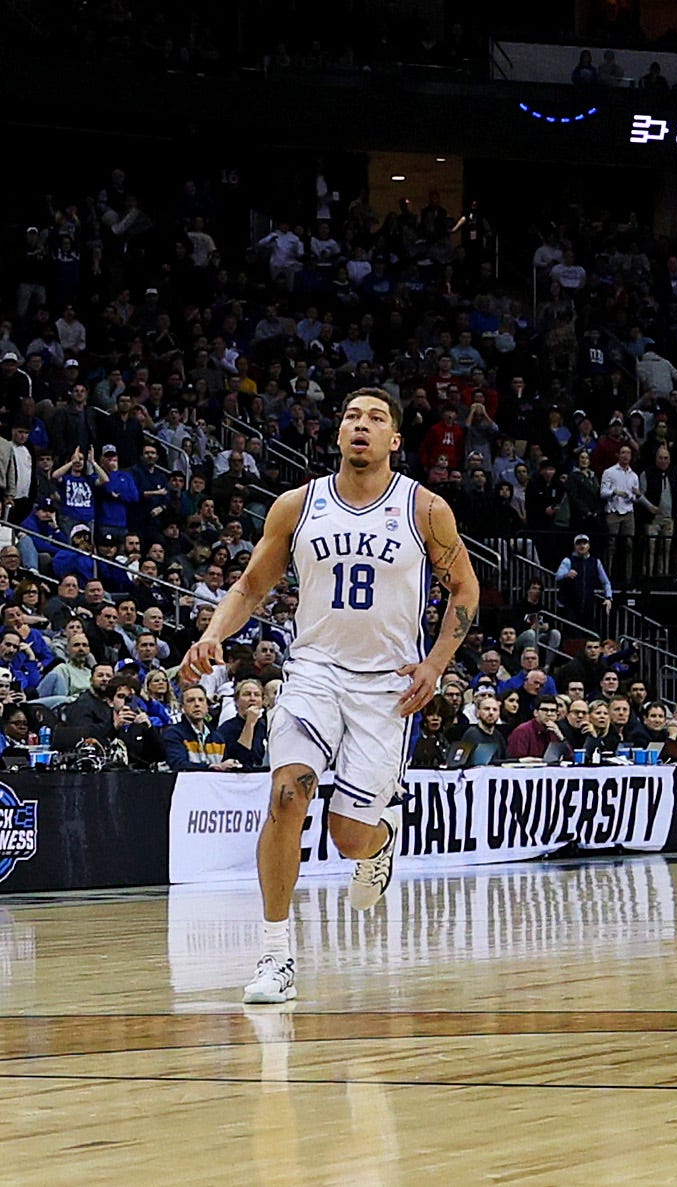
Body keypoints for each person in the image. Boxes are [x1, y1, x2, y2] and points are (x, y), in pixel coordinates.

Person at [180, 389, 480, 1004]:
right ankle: (274, 956)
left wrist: (436, 665)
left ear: (395, 439)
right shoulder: (299, 505)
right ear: (338, 433)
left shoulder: (425, 510)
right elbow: (250, 586)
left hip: (386, 688)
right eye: (351, 417)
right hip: (313, 671)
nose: (361, 426)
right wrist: (211, 634)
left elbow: (466, 590)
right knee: (288, 793)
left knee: (346, 834)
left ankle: (378, 843)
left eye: (376, 418)